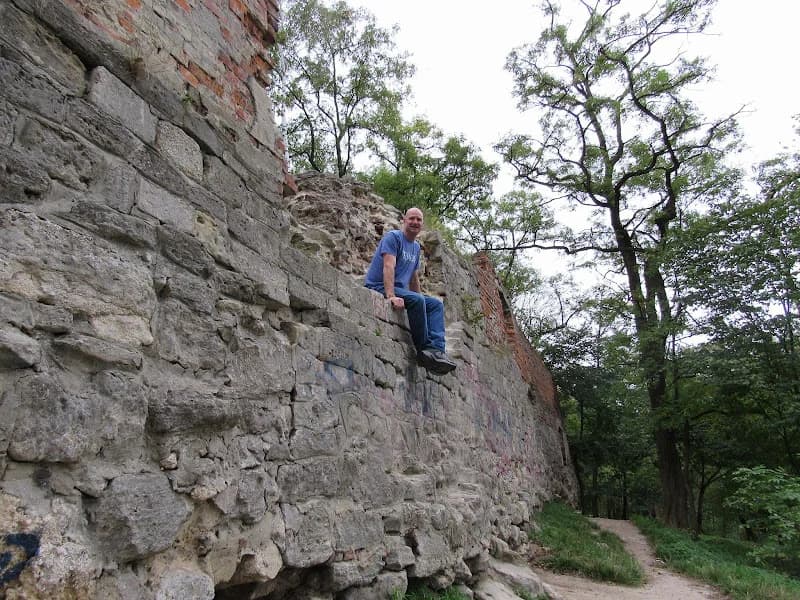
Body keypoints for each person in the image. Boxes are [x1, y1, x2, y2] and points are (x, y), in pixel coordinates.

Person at [364, 207, 457, 375]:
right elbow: (388, 265)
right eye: (411, 218)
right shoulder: (393, 238)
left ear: (421, 224)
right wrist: (390, 295)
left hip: (400, 289)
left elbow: (413, 278)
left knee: (435, 304)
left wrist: (420, 297)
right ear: (404, 221)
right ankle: (425, 351)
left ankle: (437, 350)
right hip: (378, 285)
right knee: (417, 301)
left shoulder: (415, 247)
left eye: (419, 220)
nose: (415, 222)